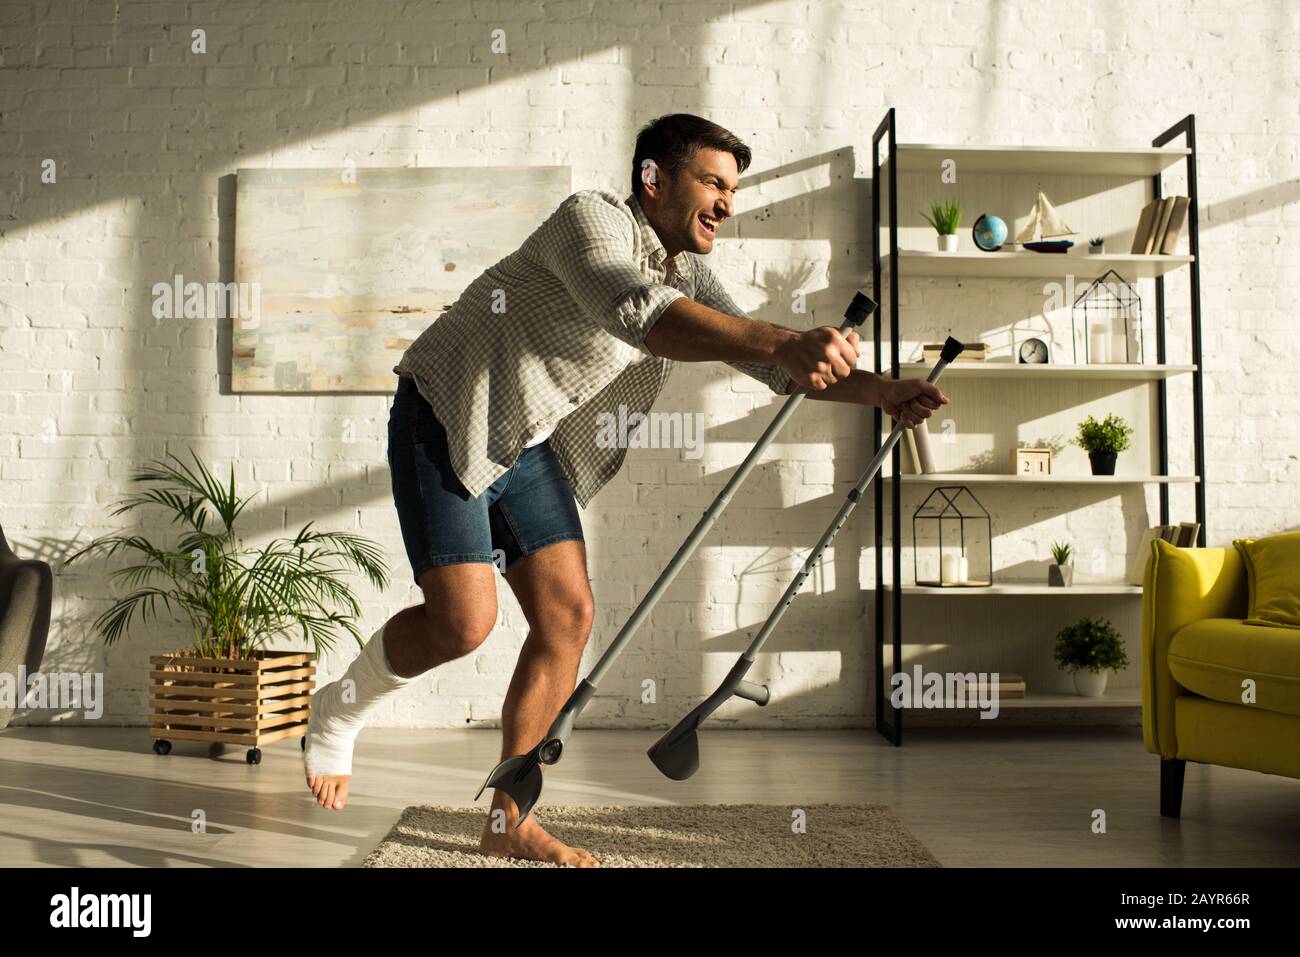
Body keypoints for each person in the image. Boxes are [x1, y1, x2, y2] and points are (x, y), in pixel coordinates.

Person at [303, 113, 947, 867]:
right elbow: (638, 313)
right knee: (464, 623)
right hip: (446, 409)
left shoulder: (690, 271)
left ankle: (508, 821)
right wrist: (783, 340)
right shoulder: (591, 221)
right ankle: (338, 708)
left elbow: (776, 368)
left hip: (527, 434)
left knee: (568, 615)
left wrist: (882, 392)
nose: (726, 204)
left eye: (732, 188)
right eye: (712, 182)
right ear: (653, 180)